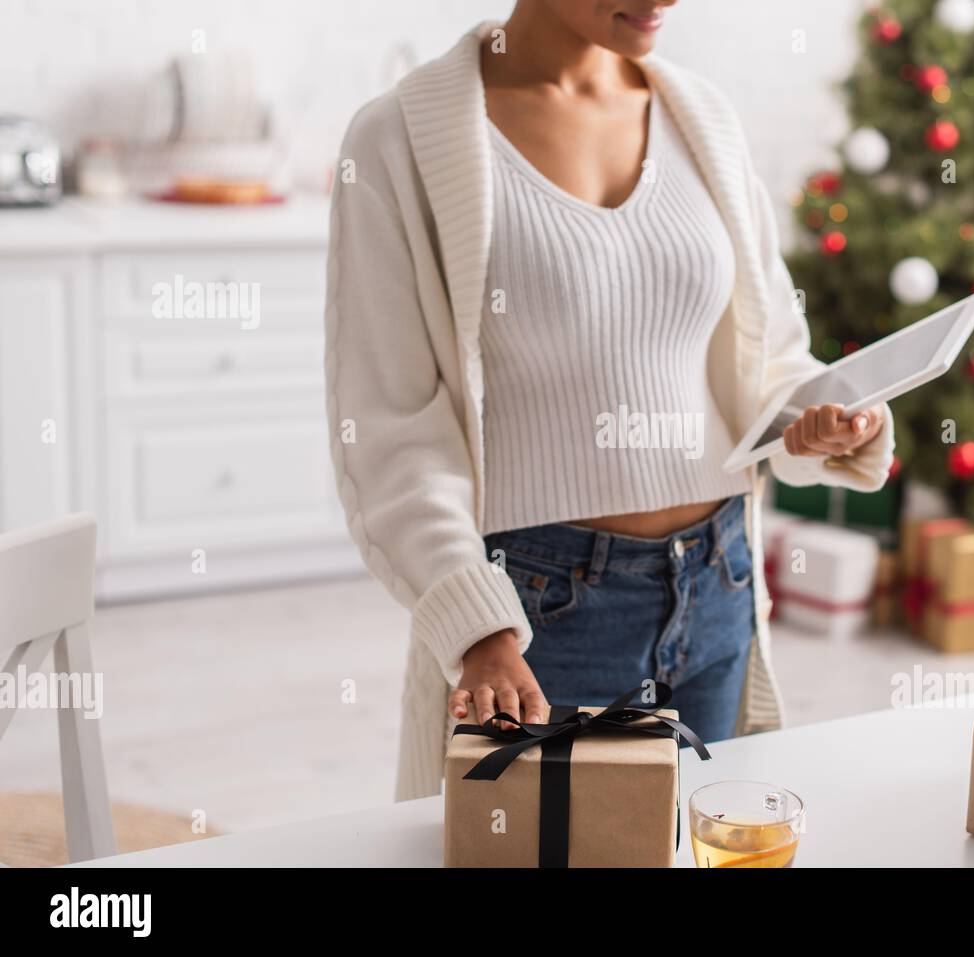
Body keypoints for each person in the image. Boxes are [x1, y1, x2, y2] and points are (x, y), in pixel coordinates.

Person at [325, 2, 894, 799]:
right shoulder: (401, 140)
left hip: (720, 578)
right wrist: (478, 626)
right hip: (538, 614)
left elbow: (762, 357)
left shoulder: (703, 117)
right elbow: (392, 428)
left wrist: (811, 417)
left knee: (696, 843)